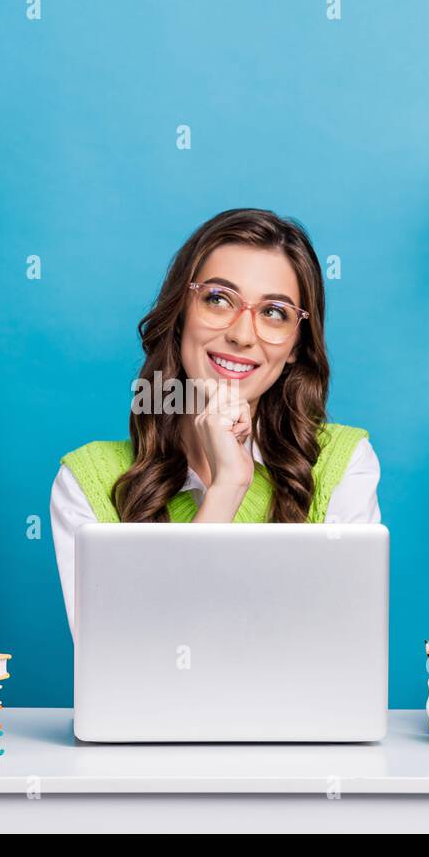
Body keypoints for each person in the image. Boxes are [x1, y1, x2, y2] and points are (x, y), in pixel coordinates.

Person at [49, 208, 381, 632]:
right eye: (218, 299)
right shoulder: (88, 480)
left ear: (297, 345)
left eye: (274, 312)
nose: (243, 335)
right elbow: (133, 666)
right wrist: (227, 487)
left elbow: (344, 650)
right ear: (181, 314)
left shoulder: (345, 463)